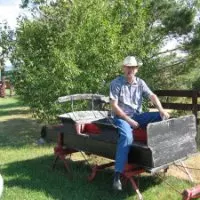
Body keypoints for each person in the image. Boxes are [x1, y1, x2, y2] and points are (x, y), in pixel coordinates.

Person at [109, 56, 170, 191]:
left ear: (136, 69)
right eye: (127, 67)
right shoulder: (116, 83)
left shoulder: (140, 83)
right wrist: (128, 120)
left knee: (162, 118)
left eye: (132, 67)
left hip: (138, 116)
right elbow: (114, 106)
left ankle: (162, 153)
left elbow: (152, 96)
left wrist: (161, 110)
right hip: (121, 117)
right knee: (127, 137)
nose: (130, 69)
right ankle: (117, 175)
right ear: (123, 68)